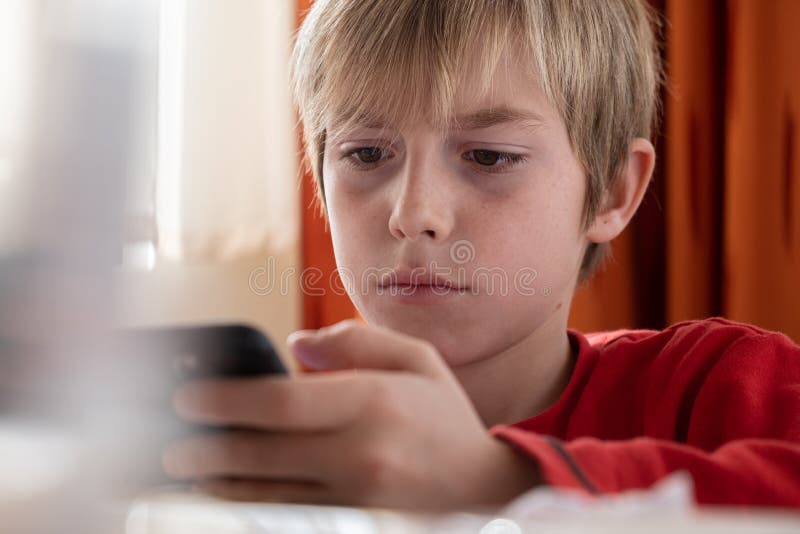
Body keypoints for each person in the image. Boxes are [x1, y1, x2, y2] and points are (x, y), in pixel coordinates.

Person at [162, 0, 800, 509]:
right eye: (366, 154)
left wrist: (496, 480)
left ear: (612, 191)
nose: (413, 214)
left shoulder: (714, 383)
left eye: (489, 156)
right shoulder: (286, 451)